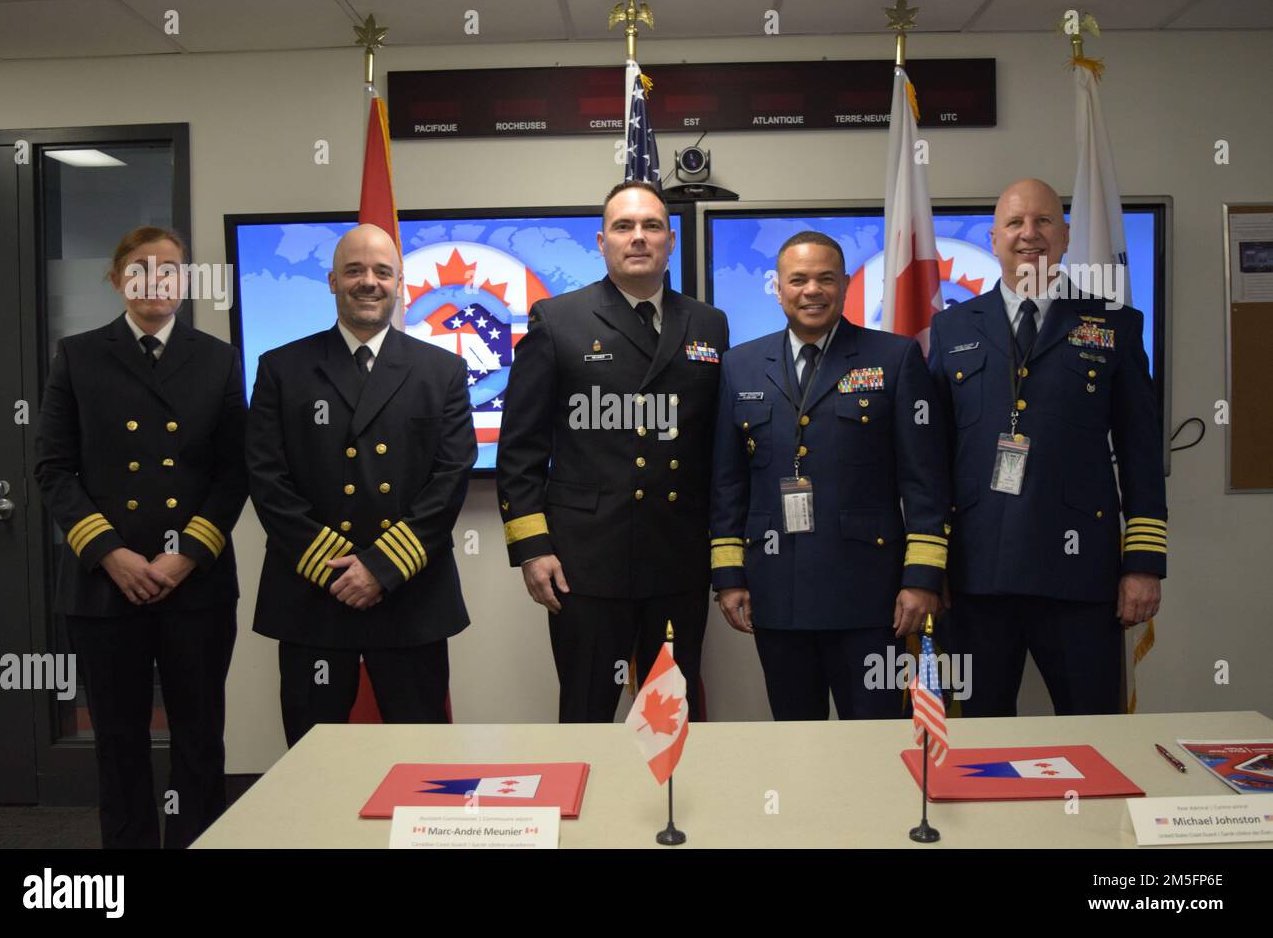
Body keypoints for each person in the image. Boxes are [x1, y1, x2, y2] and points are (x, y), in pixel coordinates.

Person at [35, 226, 248, 848]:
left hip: (195, 582)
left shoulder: (217, 358)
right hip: (106, 585)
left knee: (200, 734)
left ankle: (197, 841)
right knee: (119, 738)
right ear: (116, 279)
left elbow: (234, 470)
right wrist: (111, 554)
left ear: (185, 281)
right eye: (139, 267)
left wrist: (182, 556)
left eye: (169, 268)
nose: (155, 278)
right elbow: (53, 468)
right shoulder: (77, 355)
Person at [926, 178, 1166, 717]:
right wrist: (929, 565)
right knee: (980, 742)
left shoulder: (1115, 324)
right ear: (994, 238)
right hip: (977, 575)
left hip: (1081, 579)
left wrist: (1144, 563)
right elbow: (931, 457)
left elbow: (1141, 451)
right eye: (1015, 223)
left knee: (1095, 734)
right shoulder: (951, 328)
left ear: (1065, 235)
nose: (1029, 234)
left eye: (1043, 222)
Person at [497, 180, 729, 723]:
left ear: (670, 240)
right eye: (624, 227)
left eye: (651, 226)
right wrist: (533, 549)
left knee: (668, 716)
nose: (638, 237)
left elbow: (719, 450)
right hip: (585, 563)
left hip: (678, 557)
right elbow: (519, 452)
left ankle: (663, 811)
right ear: (602, 242)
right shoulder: (557, 320)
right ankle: (590, 811)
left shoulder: (708, 324)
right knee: (586, 711)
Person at [246, 223, 475, 747]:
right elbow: (266, 479)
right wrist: (339, 569)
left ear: (401, 284)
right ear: (331, 281)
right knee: (311, 759)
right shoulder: (282, 368)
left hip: (410, 596)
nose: (367, 281)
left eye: (381, 271)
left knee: (420, 759)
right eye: (354, 270)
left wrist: (381, 567)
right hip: (314, 595)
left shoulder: (442, 371)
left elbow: (450, 478)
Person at [708, 232, 950, 720]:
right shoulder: (741, 365)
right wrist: (729, 577)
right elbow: (728, 482)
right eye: (798, 280)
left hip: (870, 597)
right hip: (776, 593)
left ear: (843, 284)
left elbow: (924, 481)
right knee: (798, 743)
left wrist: (922, 578)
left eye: (824, 278)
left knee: (878, 739)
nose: (811, 290)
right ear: (778, 289)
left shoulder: (894, 358)